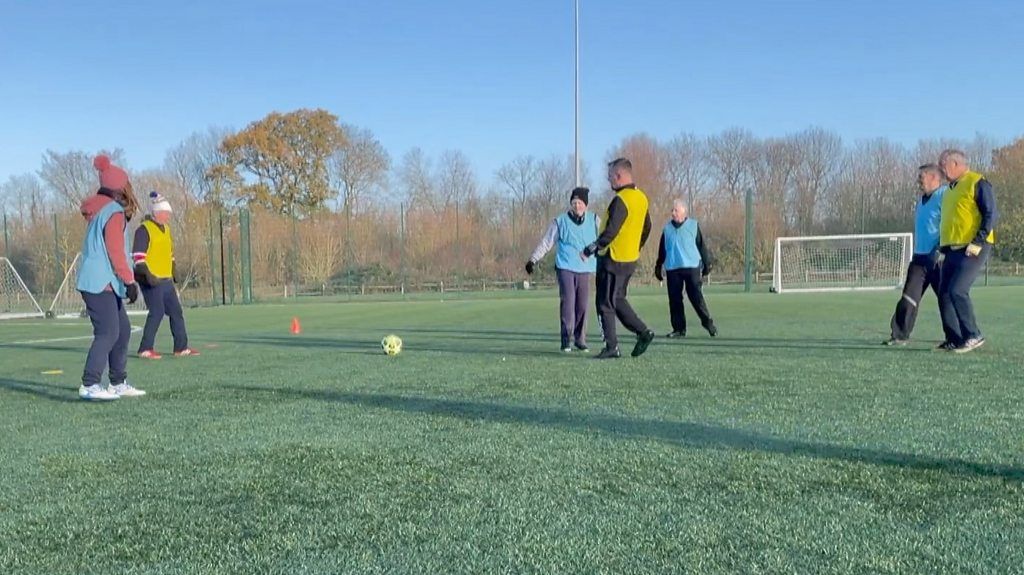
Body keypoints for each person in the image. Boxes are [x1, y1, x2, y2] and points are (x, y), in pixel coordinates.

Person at [76, 155, 145, 400]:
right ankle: (90, 383)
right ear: (121, 188)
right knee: (108, 332)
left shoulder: (100, 210)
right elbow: (116, 251)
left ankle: (118, 382)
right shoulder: (114, 212)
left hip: (103, 282)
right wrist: (129, 281)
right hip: (99, 283)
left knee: (123, 330)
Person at [582, 158, 655, 359]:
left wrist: (592, 248)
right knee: (617, 299)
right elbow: (648, 226)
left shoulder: (621, 200)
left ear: (619, 176)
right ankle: (643, 332)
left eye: (610, 177)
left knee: (604, 302)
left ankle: (611, 347)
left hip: (613, 258)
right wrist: (637, 246)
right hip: (630, 260)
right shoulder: (641, 198)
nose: (608, 181)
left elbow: (611, 230)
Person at [935, 149, 998, 353]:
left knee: (957, 290)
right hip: (952, 248)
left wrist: (978, 241)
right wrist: (942, 249)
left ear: (955, 164)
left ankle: (973, 334)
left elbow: (990, 214)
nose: (941, 170)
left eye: (943, 165)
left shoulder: (977, 182)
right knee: (944, 292)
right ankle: (955, 338)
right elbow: (951, 222)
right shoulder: (949, 190)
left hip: (974, 246)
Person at [525, 187, 600, 352]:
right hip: (565, 267)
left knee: (582, 305)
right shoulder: (560, 221)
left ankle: (580, 340)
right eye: (574, 202)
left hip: (585, 269)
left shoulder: (595, 220)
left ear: (586, 205)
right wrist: (533, 259)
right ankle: (566, 339)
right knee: (568, 302)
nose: (577, 206)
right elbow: (547, 242)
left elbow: (604, 239)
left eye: (580, 203)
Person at [884, 164, 947, 346]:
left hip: (938, 257)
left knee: (947, 298)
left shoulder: (944, 196)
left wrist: (941, 248)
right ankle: (899, 335)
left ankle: (957, 336)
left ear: (934, 178)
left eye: (922, 177)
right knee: (909, 297)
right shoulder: (920, 200)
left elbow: (951, 223)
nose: (918, 181)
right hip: (919, 258)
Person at [133, 191, 200, 358]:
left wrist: (173, 268)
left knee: (176, 312)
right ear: (157, 212)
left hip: (165, 279)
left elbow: (169, 252)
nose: (168, 216)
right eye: (165, 213)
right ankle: (145, 348)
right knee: (157, 311)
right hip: (150, 279)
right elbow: (138, 257)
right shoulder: (143, 230)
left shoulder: (167, 229)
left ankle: (181, 347)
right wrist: (147, 274)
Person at [654, 199, 717, 339]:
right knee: (675, 299)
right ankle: (679, 329)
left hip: (691, 266)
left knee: (696, 297)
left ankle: (708, 323)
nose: (673, 213)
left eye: (676, 210)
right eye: (672, 210)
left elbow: (701, 246)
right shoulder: (667, 229)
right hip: (673, 267)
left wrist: (707, 264)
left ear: (684, 211)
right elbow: (662, 250)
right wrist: (658, 266)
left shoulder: (693, 226)